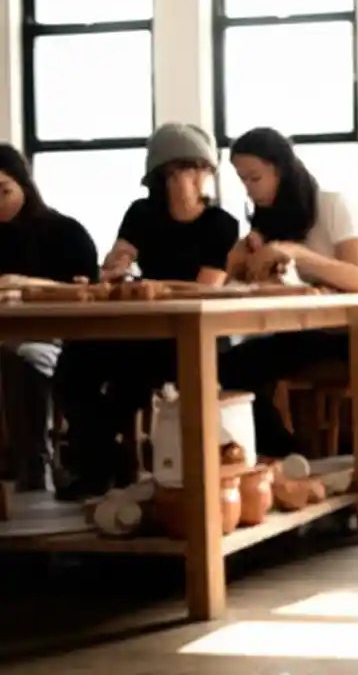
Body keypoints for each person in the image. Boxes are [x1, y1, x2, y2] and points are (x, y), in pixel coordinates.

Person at [53, 123, 239, 499]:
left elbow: (206, 288)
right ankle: (104, 461)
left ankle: (104, 465)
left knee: (128, 380)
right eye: (176, 171)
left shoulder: (221, 224)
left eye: (193, 169)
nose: (186, 180)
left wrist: (158, 287)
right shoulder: (141, 213)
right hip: (142, 328)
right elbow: (117, 258)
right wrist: (117, 267)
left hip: (192, 334)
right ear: (161, 176)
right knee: (75, 362)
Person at [217, 127, 358, 460]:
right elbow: (267, 291)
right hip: (319, 330)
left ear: (280, 169)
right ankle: (291, 459)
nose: (249, 189)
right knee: (228, 368)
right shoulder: (270, 224)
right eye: (242, 180)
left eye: (255, 177)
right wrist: (237, 264)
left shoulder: (333, 205)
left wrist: (297, 253)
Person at [0, 144, 98, 491]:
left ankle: (34, 463)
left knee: (18, 354)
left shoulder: (64, 233)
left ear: (24, 186)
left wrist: (25, 286)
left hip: (58, 339)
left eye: (3, 191)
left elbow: (90, 293)